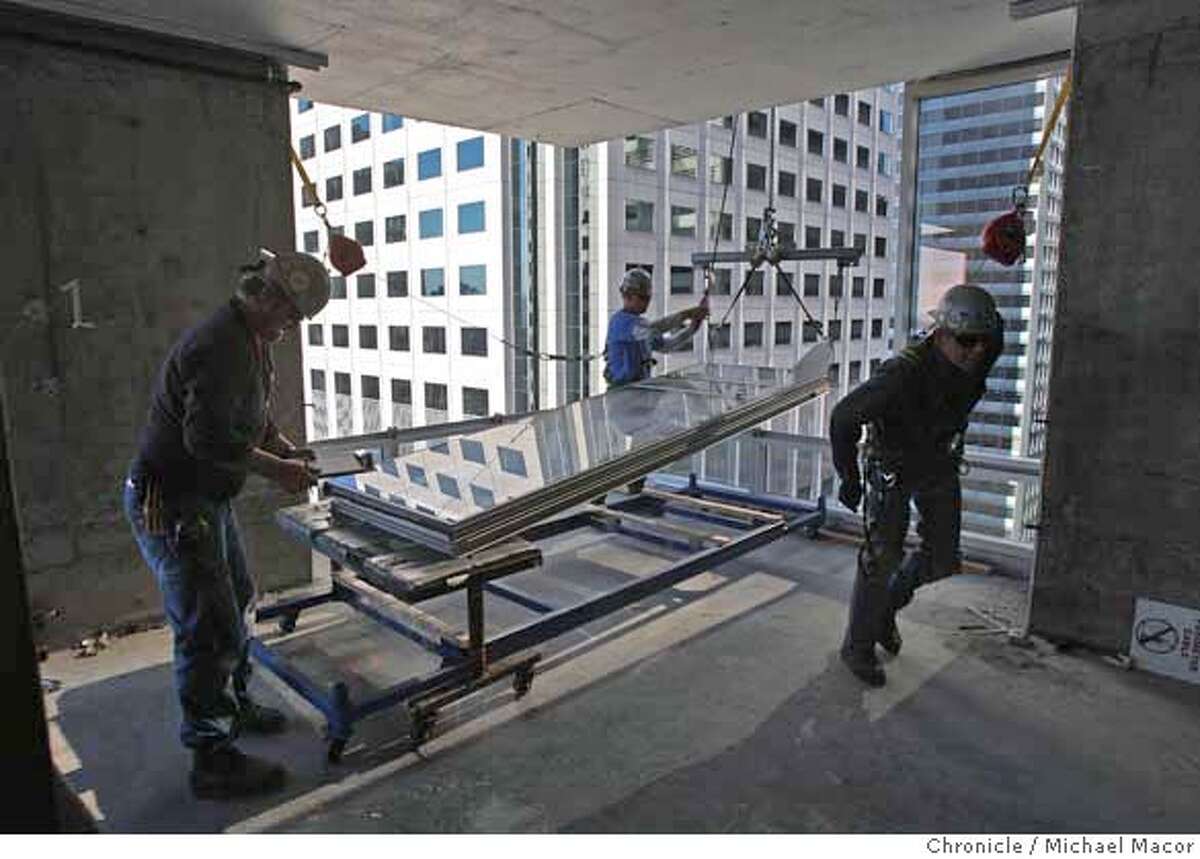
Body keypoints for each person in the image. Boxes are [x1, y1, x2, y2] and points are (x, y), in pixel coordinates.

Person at [123, 249, 330, 798]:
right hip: (171, 500)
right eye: (289, 315)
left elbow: (252, 420)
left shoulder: (253, 342)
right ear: (265, 296)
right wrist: (278, 470)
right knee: (206, 626)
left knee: (236, 596)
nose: (291, 327)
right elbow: (207, 440)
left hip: (205, 499)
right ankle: (211, 756)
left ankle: (233, 707)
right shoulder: (220, 346)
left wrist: (286, 448)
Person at [829, 284, 1004, 687]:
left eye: (984, 341)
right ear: (940, 334)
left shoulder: (982, 352)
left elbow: (997, 330)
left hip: (938, 462)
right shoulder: (903, 374)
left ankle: (886, 609)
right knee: (882, 557)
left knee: (943, 558)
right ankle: (857, 645)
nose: (977, 351)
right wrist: (850, 479)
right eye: (966, 341)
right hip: (893, 467)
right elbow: (844, 418)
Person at [604, 268, 709, 387]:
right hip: (620, 394)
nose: (647, 302)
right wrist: (687, 314)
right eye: (643, 298)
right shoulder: (620, 322)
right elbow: (654, 329)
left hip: (640, 390)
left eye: (648, 298)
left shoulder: (641, 324)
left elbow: (667, 345)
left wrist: (692, 328)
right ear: (628, 296)